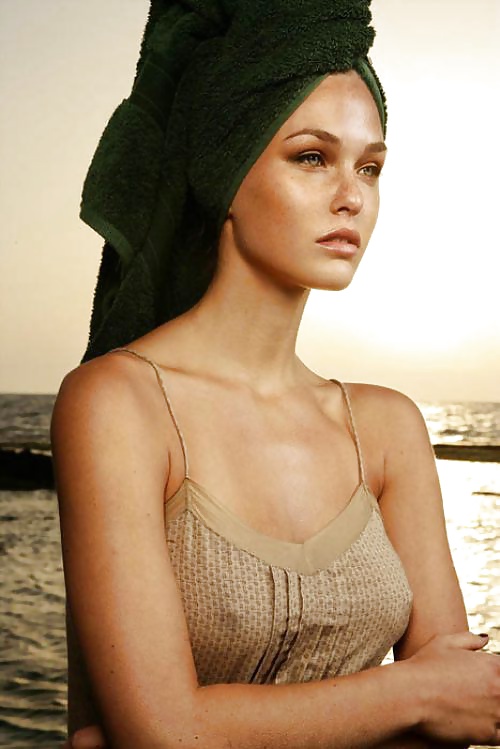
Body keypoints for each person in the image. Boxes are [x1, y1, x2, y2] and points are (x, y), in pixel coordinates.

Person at [51, 2, 500, 748]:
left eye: (370, 167)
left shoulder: (386, 427)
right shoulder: (118, 403)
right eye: (312, 157)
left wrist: (429, 698)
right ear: (224, 173)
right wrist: (410, 692)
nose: (352, 196)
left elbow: (465, 710)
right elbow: (164, 732)